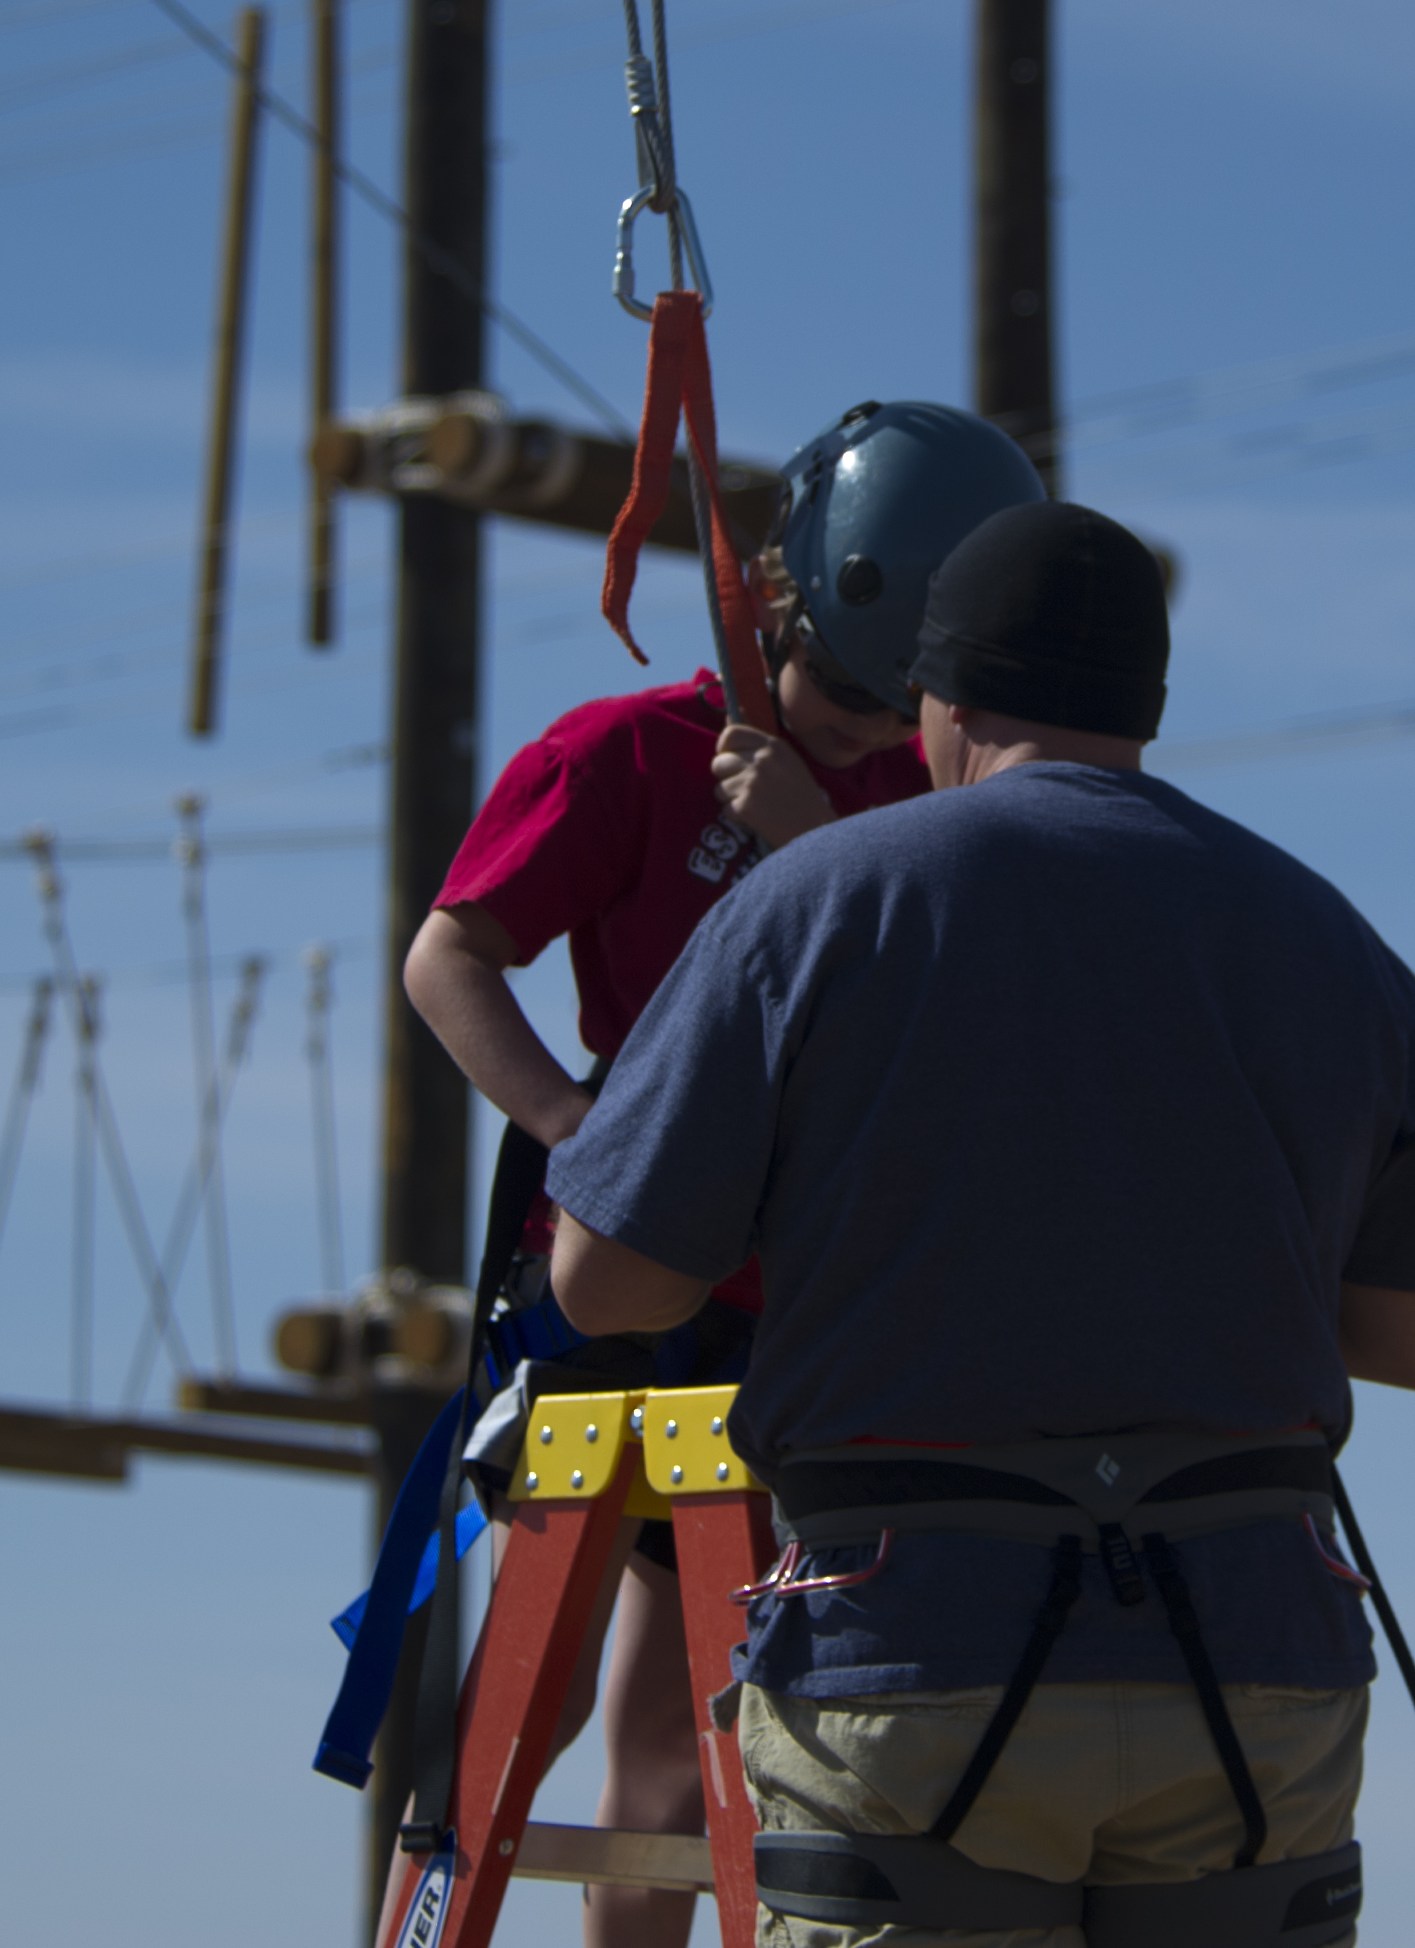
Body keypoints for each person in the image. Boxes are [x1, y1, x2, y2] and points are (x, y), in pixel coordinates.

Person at [545, 498, 1415, 1948]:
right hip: (1254, 1658)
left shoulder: (816, 904)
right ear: (1145, 707)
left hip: (915, 1656)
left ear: (943, 693)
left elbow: (605, 1286)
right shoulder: (1335, 942)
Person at [401, 400, 1045, 1948]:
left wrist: (821, 836)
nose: (862, 727)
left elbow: (966, 1029)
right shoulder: (629, 757)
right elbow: (452, 952)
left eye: (899, 712)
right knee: (520, 1721)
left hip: (795, 1317)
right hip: (626, 1292)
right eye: (834, 689)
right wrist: (570, 1124)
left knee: (694, 1737)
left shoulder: (920, 808)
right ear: (774, 608)